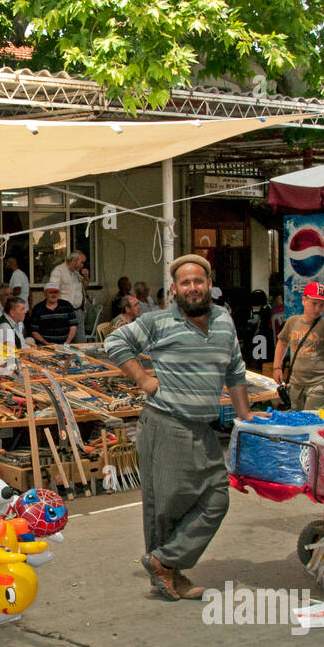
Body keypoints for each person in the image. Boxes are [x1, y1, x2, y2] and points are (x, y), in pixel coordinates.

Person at [104, 254, 259, 601]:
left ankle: (164, 561)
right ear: (174, 290)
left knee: (216, 496)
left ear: (208, 285)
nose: (192, 288)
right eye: (185, 283)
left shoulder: (224, 320)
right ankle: (169, 575)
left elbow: (235, 370)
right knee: (166, 506)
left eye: (198, 281)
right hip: (166, 423)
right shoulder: (158, 322)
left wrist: (245, 416)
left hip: (203, 425)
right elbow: (114, 342)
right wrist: (143, 378)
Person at [273, 282, 324, 410]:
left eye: (322, 305)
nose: (317, 309)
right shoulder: (292, 322)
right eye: (314, 303)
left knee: (312, 415)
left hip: (320, 381)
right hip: (296, 382)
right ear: (304, 300)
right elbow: (282, 343)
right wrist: (277, 367)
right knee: (296, 417)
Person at [48, 250, 87, 337]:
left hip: (79, 311)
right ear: (74, 261)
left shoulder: (76, 273)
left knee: (81, 340)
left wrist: (86, 277)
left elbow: (84, 288)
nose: (82, 265)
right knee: (66, 340)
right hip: (65, 313)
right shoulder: (58, 271)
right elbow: (52, 292)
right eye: (81, 262)